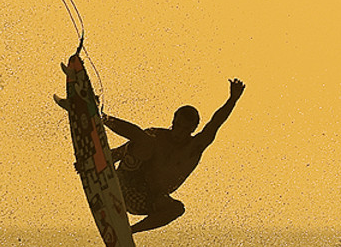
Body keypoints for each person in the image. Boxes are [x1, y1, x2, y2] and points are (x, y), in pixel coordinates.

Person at [103, 78, 245, 233]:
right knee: (145, 140)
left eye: (185, 129)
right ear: (173, 121)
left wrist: (232, 99)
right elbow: (128, 149)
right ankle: (103, 119)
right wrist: (103, 159)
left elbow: (215, 123)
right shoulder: (157, 136)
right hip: (123, 180)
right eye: (177, 126)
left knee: (177, 208)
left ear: (193, 129)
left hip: (141, 200)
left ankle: (129, 231)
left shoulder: (194, 148)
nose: (179, 132)